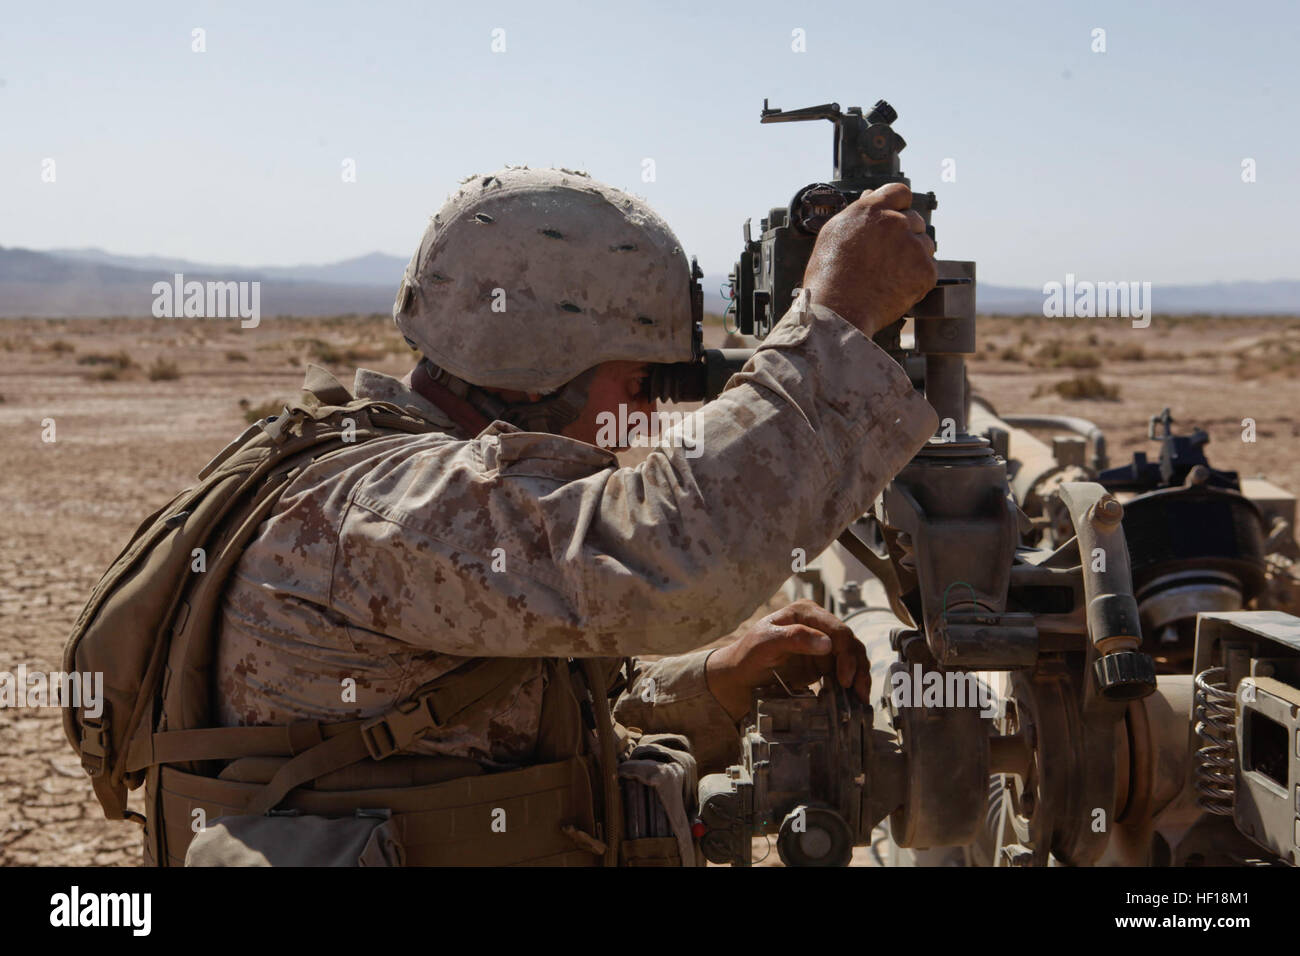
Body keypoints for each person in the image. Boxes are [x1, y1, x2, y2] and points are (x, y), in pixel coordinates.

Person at [202, 166, 938, 866]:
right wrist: (838, 318)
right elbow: (673, 564)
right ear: (535, 372)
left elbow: (507, 721)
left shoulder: (427, 491)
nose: (649, 416)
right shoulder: (386, 507)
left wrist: (710, 684)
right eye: (641, 382)